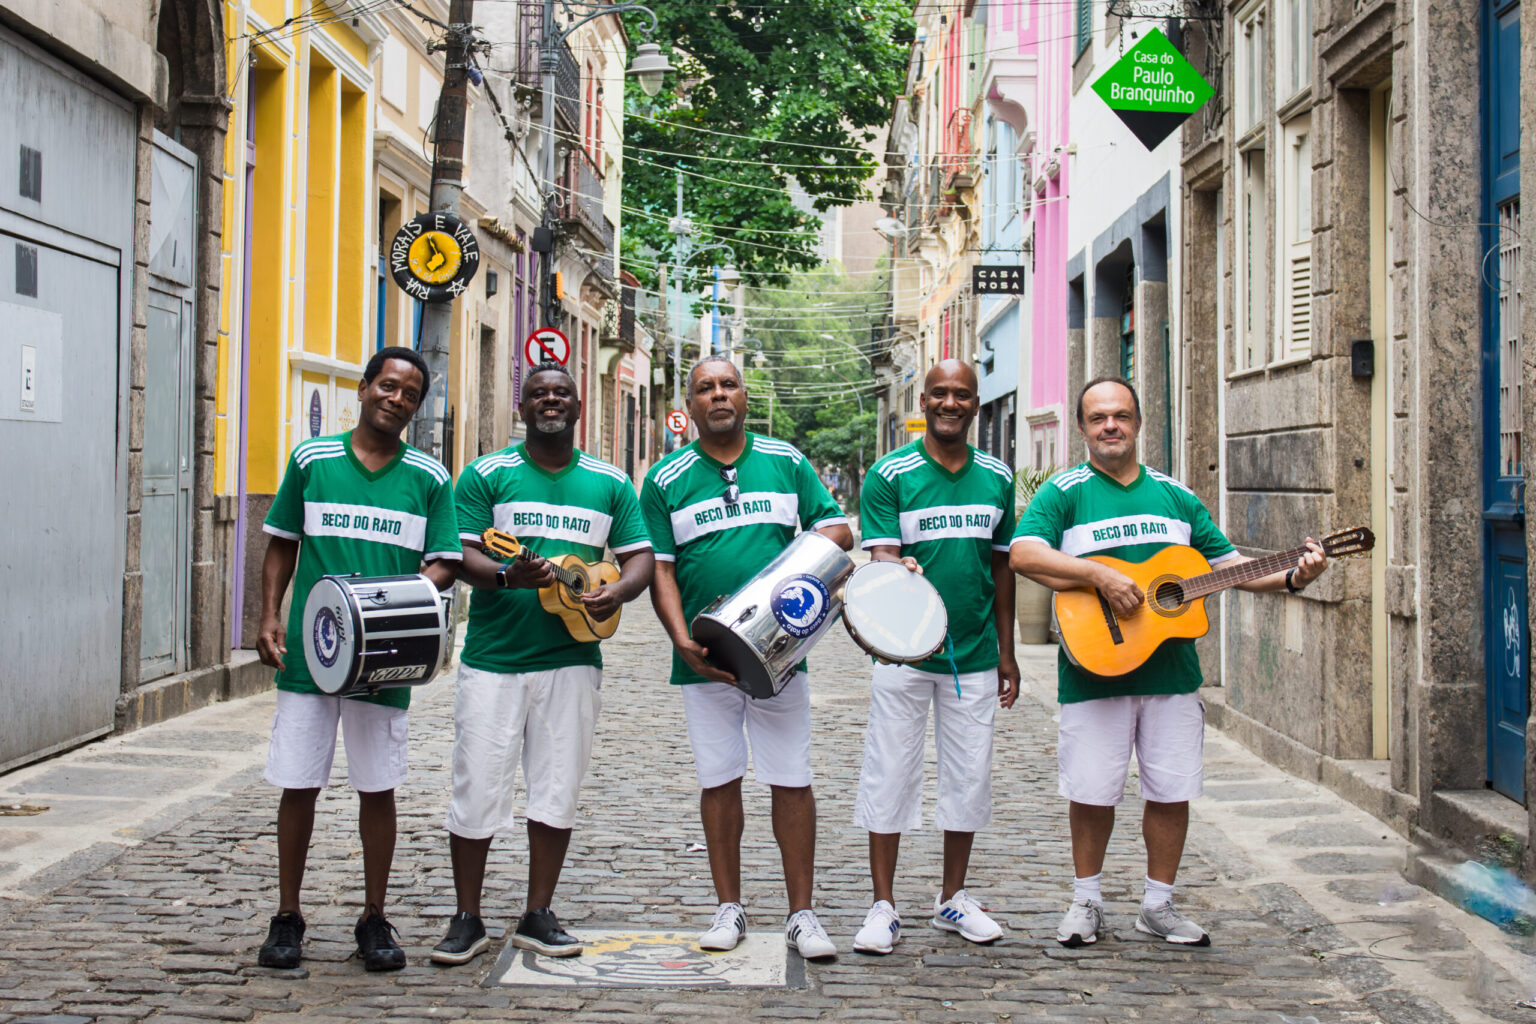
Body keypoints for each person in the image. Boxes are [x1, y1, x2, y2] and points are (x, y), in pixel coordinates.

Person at [1010, 376, 1328, 948]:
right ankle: (1086, 901)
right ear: (1082, 428)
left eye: (1121, 415)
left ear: (1138, 422)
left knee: (1170, 790)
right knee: (1092, 792)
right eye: (1098, 417)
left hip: (1172, 674)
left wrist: (1293, 577)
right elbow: (1024, 553)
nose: (1110, 426)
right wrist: (1100, 575)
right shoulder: (1065, 492)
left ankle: (1158, 905)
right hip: (1094, 671)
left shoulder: (1176, 496)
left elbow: (1231, 568)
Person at [432, 361, 654, 965]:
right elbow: (460, 553)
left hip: (574, 657)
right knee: (476, 785)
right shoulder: (487, 475)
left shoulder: (610, 483)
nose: (550, 401)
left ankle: (539, 912)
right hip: (494, 659)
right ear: (522, 407)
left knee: (557, 788)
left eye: (560, 393)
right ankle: (467, 917)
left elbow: (639, 557)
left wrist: (617, 591)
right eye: (538, 394)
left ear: (579, 407)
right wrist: (509, 575)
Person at [254, 346, 461, 971]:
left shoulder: (429, 477)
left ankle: (374, 917)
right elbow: (282, 543)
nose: (397, 399)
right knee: (299, 783)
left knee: (378, 786)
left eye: (410, 394)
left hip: (386, 655)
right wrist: (269, 616)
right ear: (365, 388)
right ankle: (287, 915)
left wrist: (399, 599)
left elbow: (445, 561)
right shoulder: (312, 461)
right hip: (312, 654)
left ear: (417, 407)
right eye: (388, 386)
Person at [641, 356, 853, 961]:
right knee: (718, 778)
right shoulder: (664, 479)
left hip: (780, 651)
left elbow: (838, 531)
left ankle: (802, 914)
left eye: (728, 384)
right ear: (690, 403)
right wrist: (679, 639)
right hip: (706, 653)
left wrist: (787, 571)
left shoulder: (786, 462)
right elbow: (660, 568)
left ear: (745, 396)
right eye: (705, 388)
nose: (718, 395)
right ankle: (728, 906)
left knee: (792, 776)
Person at [851, 359, 1021, 955]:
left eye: (962, 395)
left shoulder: (997, 476)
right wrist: (897, 567)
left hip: (973, 655)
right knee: (890, 773)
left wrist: (1007, 651)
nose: (951, 403)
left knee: (969, 778)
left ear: (976, 402)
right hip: (902, 654)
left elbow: (1002, 568)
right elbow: (881, 559)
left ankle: (953, 898)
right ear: (922, 402)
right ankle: (883, 906)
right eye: (940, 393)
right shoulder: (890, 474)